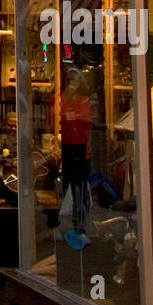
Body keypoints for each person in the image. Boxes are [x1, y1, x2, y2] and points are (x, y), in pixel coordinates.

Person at [59, 67, 92, 237]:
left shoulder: (83, 100)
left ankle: (80, 222)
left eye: (74, 81)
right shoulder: (61, 99)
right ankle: (65, 222)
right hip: (65, 146)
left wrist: (71, 117)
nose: (71, 84)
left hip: (79, 147)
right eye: (68, 81)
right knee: (66, 184)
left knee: (79, 186)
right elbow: (57, 116)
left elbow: (85, 120)